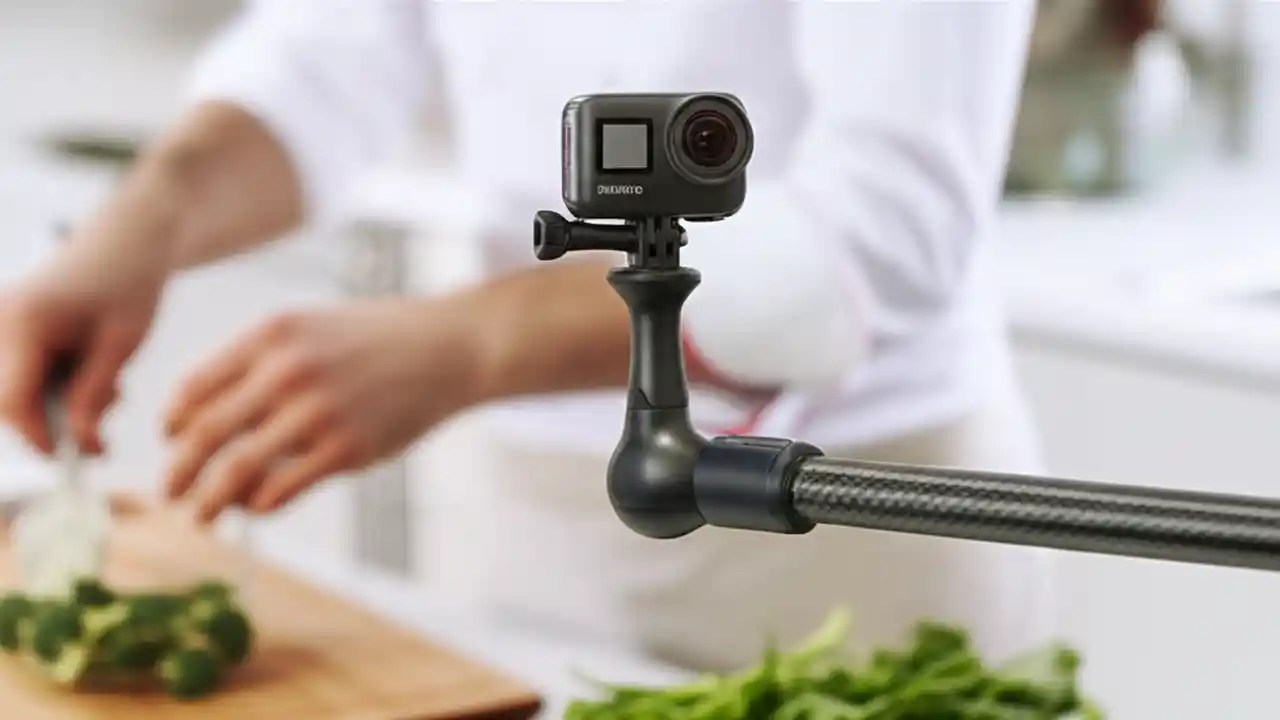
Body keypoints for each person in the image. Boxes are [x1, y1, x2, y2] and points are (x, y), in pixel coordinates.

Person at [0, 1, 1052, 669]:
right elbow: (323, 59)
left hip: (842, 517)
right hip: (528, 513)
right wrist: (145, 219)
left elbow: (883, 231)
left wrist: (468, 343)